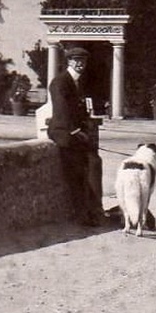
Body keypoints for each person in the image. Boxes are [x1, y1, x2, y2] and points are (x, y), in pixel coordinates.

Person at [48, 48, 102, 227]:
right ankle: (84, 215)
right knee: (78, 173)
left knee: (94, 163)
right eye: (76, 60)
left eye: (83, 61)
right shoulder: (60, 82)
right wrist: (76, 131)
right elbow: (62, 111)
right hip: (64, 133)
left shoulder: (77, 81)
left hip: (76, 134)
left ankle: (94, 210)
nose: (81, 64)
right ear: (69, 62)